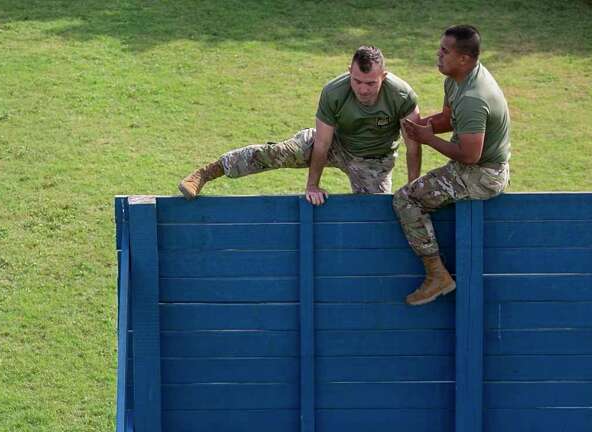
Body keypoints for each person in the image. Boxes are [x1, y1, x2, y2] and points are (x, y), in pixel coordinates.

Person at [178, 46, 422, 206]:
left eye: (371, 83)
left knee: (374, 214)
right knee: (282, 152)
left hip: (374, 159)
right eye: (357, 81)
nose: (363, 89)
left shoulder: (401, 95)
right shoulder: (334, 92)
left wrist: (413, 189)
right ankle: (208, 172)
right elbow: (323, 142)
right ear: (349, 72)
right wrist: (313, 185)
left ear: (384, 76)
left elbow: (413, 146)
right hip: (336, 143)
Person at [394, 25, 511, 305]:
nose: (438, 55)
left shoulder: (474, 97)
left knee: (405, 199)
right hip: (473, 165)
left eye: (445, 51)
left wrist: (427, 137)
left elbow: (470, 155)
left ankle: (437, 276)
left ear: (463, 59)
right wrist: (423, 125)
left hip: (483, 174)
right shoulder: (455, 79)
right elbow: (449, 118)